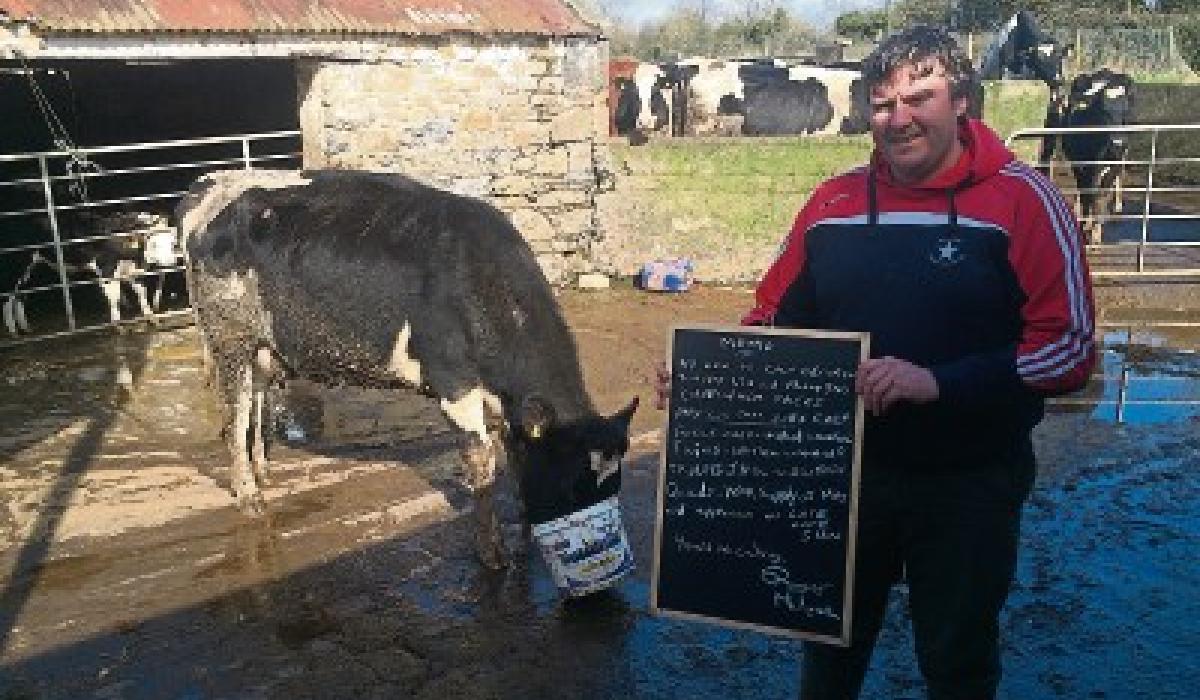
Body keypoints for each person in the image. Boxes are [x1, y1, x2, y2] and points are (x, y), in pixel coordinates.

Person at [657, 25, 1095, 700]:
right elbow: (773, 320)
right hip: (841, 476)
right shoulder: (830, 204)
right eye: (884, 104)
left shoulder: (1025, 200)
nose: (899, 119)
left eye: (920, 98)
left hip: (968, 481)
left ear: (961, 101)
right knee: (828, 649)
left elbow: (1069, 349)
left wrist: (938, 383)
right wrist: (712, 381)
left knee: (957, 660)